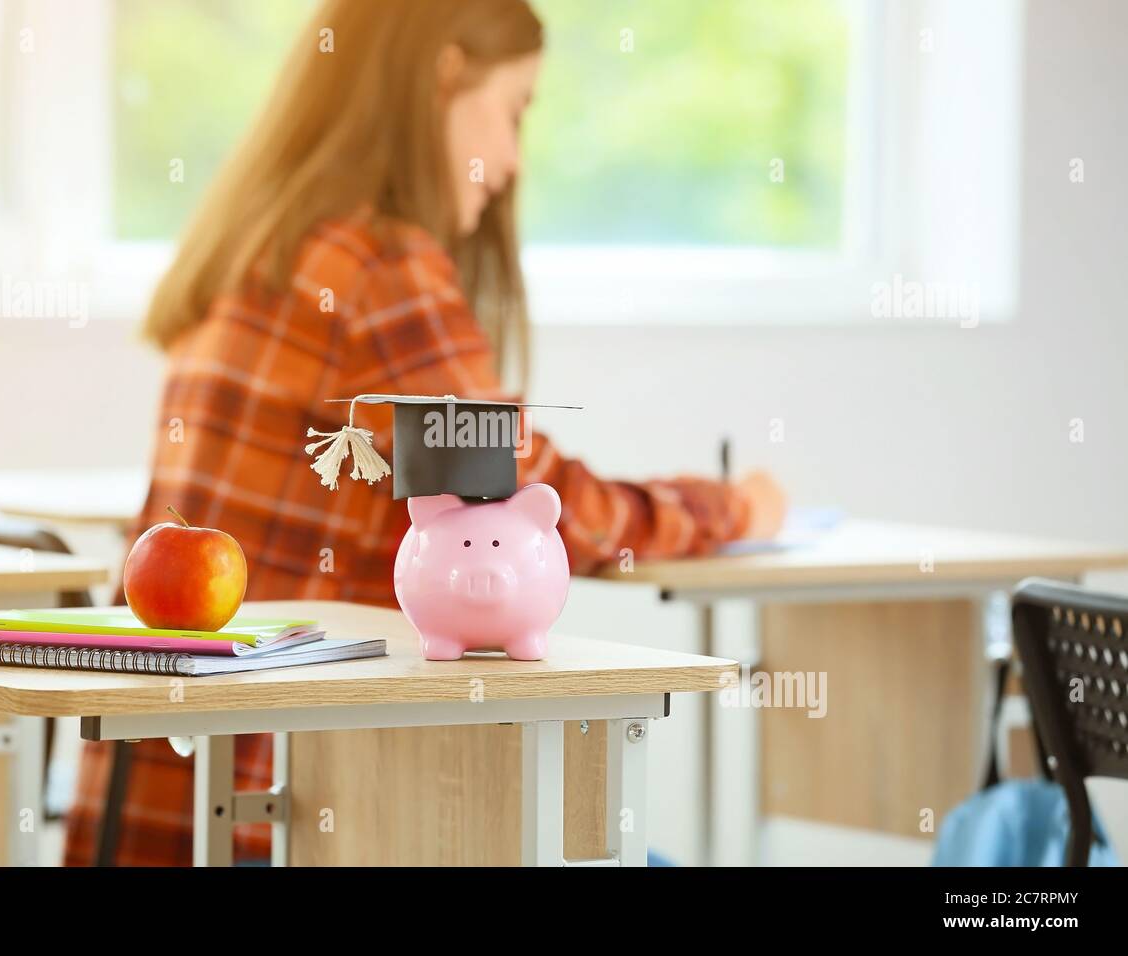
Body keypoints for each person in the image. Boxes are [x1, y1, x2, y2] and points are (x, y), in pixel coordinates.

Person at [63, 0, 785, 866]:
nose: (513, 162)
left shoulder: (260, 252)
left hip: (156, 813)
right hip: (280, 816)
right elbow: (547, 512)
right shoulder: (376, 272)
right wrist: (734, 509)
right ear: (444, 73)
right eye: (513, 111)